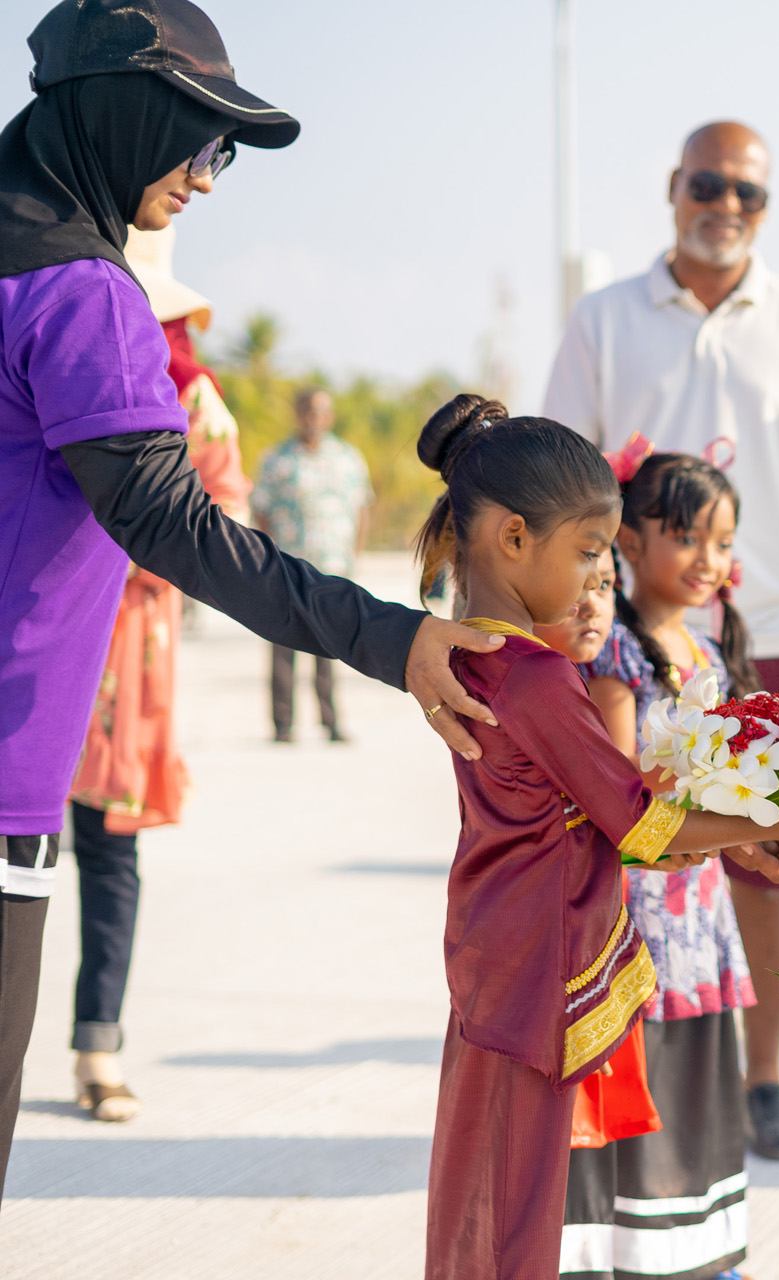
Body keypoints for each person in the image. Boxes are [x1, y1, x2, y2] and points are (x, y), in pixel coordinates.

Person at [0, 0, 496, 1201]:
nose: (208, 178)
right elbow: (177, 525)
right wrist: (395, 636)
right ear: (124, 112)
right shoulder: (80, 297)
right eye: (201, 139)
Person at [410, 394, 779, 1280]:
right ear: (514, 538)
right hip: (547, 963)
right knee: (526, 1210)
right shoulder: (535, 679)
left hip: (499, 951)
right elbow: (642, 823)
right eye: (586, 555)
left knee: (491, 1192)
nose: (592, 583)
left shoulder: (469, 658)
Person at [544, 119, 779, 1160]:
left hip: (764, 638)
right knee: (629, 849)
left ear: (765, 207)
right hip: (629, 639)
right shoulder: (604, 319)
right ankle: (629, 1073)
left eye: (747, 192)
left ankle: (762, 1081)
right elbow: (564, 485)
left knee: (764, 861)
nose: (725, 205)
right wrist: (568, 627)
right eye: (707, 184)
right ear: (673, 187)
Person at [555, 452, 762, 1280]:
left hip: (699, 907)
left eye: (723, 541)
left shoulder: (706, 646)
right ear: (630, 542)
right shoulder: (616, 652)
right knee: (650, 1088)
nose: (708, 559)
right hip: (641, 914)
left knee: (699, 1082)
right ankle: (642, 1256)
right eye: (687, 537)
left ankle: (700, 1252)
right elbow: (620, 793)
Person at [64, 223, 251, 1124]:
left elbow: (223, 517)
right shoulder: (48, 360)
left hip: (125, 658)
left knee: (109, 855)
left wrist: (134, 543)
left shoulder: (195, 400)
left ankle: (97, 1048)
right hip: (35, 631)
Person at [254, 386, 371, 743]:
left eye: (320, 411)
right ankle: (283, 725)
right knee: (283, 646)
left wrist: (354, 555)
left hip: (333, 569)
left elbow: (362, 508)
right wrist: (270, 559)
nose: (313, 418)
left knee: (330, 647)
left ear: (329, 416)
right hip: (288, 568)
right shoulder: (278, 460)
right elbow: (261, 510)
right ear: (297, 413)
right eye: (308, 410)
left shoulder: (348, 458)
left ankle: (330, 722)